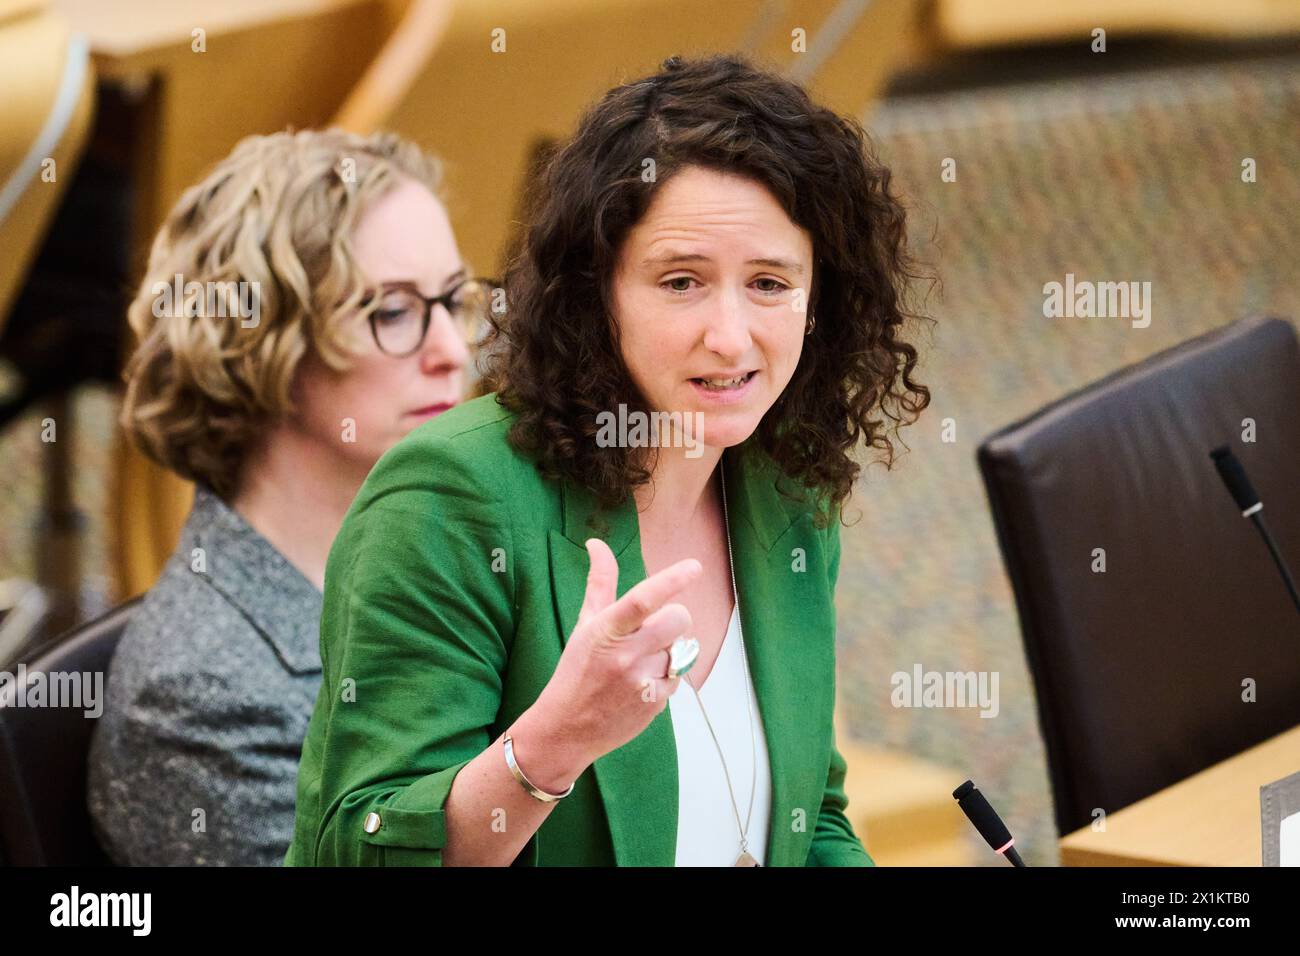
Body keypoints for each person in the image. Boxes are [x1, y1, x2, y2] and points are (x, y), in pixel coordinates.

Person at [286, 54, 929, 867]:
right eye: (681, 282)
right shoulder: (450, 499)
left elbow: (811, 818)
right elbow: (360, 853)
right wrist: (554, 744)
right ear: (599, 292)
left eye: (769, 284)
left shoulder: (784, 485)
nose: (730, 336)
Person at [87, 128, 488, 865]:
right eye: (393, 312)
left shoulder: (448, 560)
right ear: (262, 340)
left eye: (455, 301)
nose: (454, 352)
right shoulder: (202, 698)